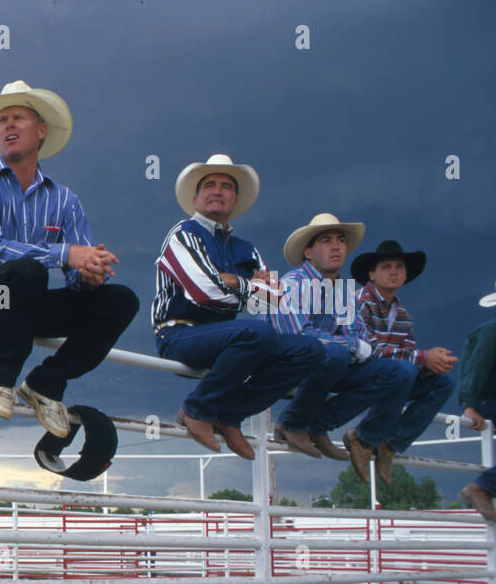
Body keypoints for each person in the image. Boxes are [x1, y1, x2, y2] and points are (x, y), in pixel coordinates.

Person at [0, 80, 137, 438]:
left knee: (121, 300)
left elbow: (73, 272)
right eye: (2, 119)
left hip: (27, 303)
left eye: (17, 117)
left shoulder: (66, 200)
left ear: (41, 131)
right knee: (28, 270)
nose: (7, 124)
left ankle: (47, 384)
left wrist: (89, 273)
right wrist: (67, 254)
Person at [151, 154, 321, 459]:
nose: (218, 190)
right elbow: (203, 293)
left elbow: (275, 300)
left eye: (227, 186)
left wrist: (232, 282)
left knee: (310, 350)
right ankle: (196, 409)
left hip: (229, 335)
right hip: (178, 334)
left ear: (235, 199)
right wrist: (248, 286)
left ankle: (229, 415)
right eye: (210, 185)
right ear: (196, 197)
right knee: (255, 332)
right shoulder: (182, 234)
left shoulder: (247, 248)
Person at [267, 212, 412, 462]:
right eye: (325, 240)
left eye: (340, 240)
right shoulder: (290, 284)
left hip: (327, 367)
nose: (336, 246)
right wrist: (353, 346)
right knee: (335, 352)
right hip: (289, 365)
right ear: (308, 252)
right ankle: (291, 422)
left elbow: (358, 335)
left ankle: (318, 424)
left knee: (401, 372)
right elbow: (298, 338)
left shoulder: (344, 292)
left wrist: (354, 346)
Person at [347, 240, 456, 484]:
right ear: (372, 274)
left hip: (390, 377)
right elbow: (368, 350)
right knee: (404, 369)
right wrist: (423, 358)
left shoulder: (404, 315)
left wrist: (433, 363)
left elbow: (408, 353)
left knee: (444, 383)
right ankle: (363, 437)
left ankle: (390, 443)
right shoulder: (359, 302)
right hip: (355, 372)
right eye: (386, 266)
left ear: (406, 275)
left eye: (399, 267)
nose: (394, 271)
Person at [457, 277, 496, 523]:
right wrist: (470, 405)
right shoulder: (494, 331)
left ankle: (483, 487)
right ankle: (481, 488)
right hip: (487, 401)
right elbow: (476, 368)